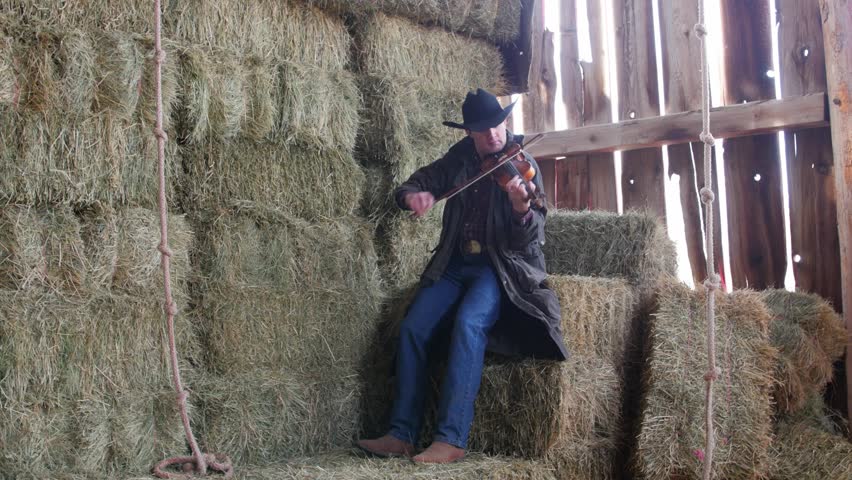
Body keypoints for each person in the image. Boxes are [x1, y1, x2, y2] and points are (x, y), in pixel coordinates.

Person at [356, 88, 569, 464]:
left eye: (498, 125)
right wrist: (415, 197)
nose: (493, 136)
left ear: (505, 122)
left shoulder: (523, 164)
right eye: (483, 130)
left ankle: (451, 438)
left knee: (470, 324)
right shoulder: (459, 160)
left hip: (498, 267)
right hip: (455, 264)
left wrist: (520, 209)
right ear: (468, 133)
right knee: (413, 328)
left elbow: (532, 237)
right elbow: (413, 184)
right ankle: (401, 433)